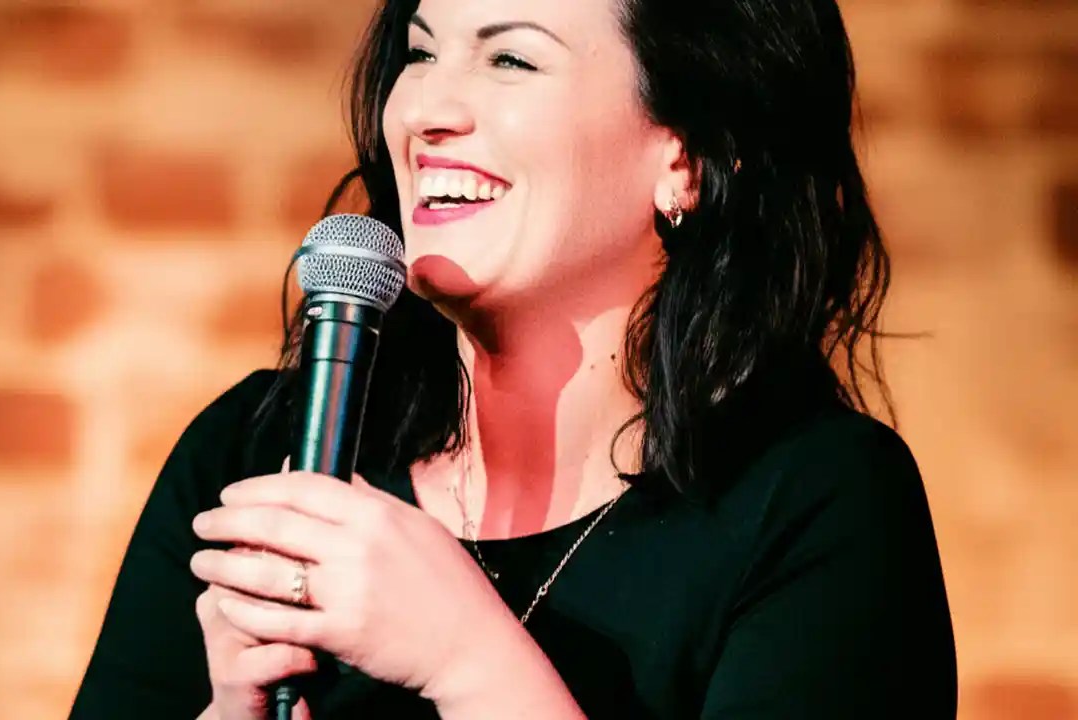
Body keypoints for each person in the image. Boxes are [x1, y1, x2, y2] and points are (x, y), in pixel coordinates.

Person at [69, 0, 958, 717]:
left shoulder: (815, 502)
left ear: (688, 157)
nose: (424, 111)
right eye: (420, 53)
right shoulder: (257, 450)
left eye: (510, 59)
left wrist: (468, 659)